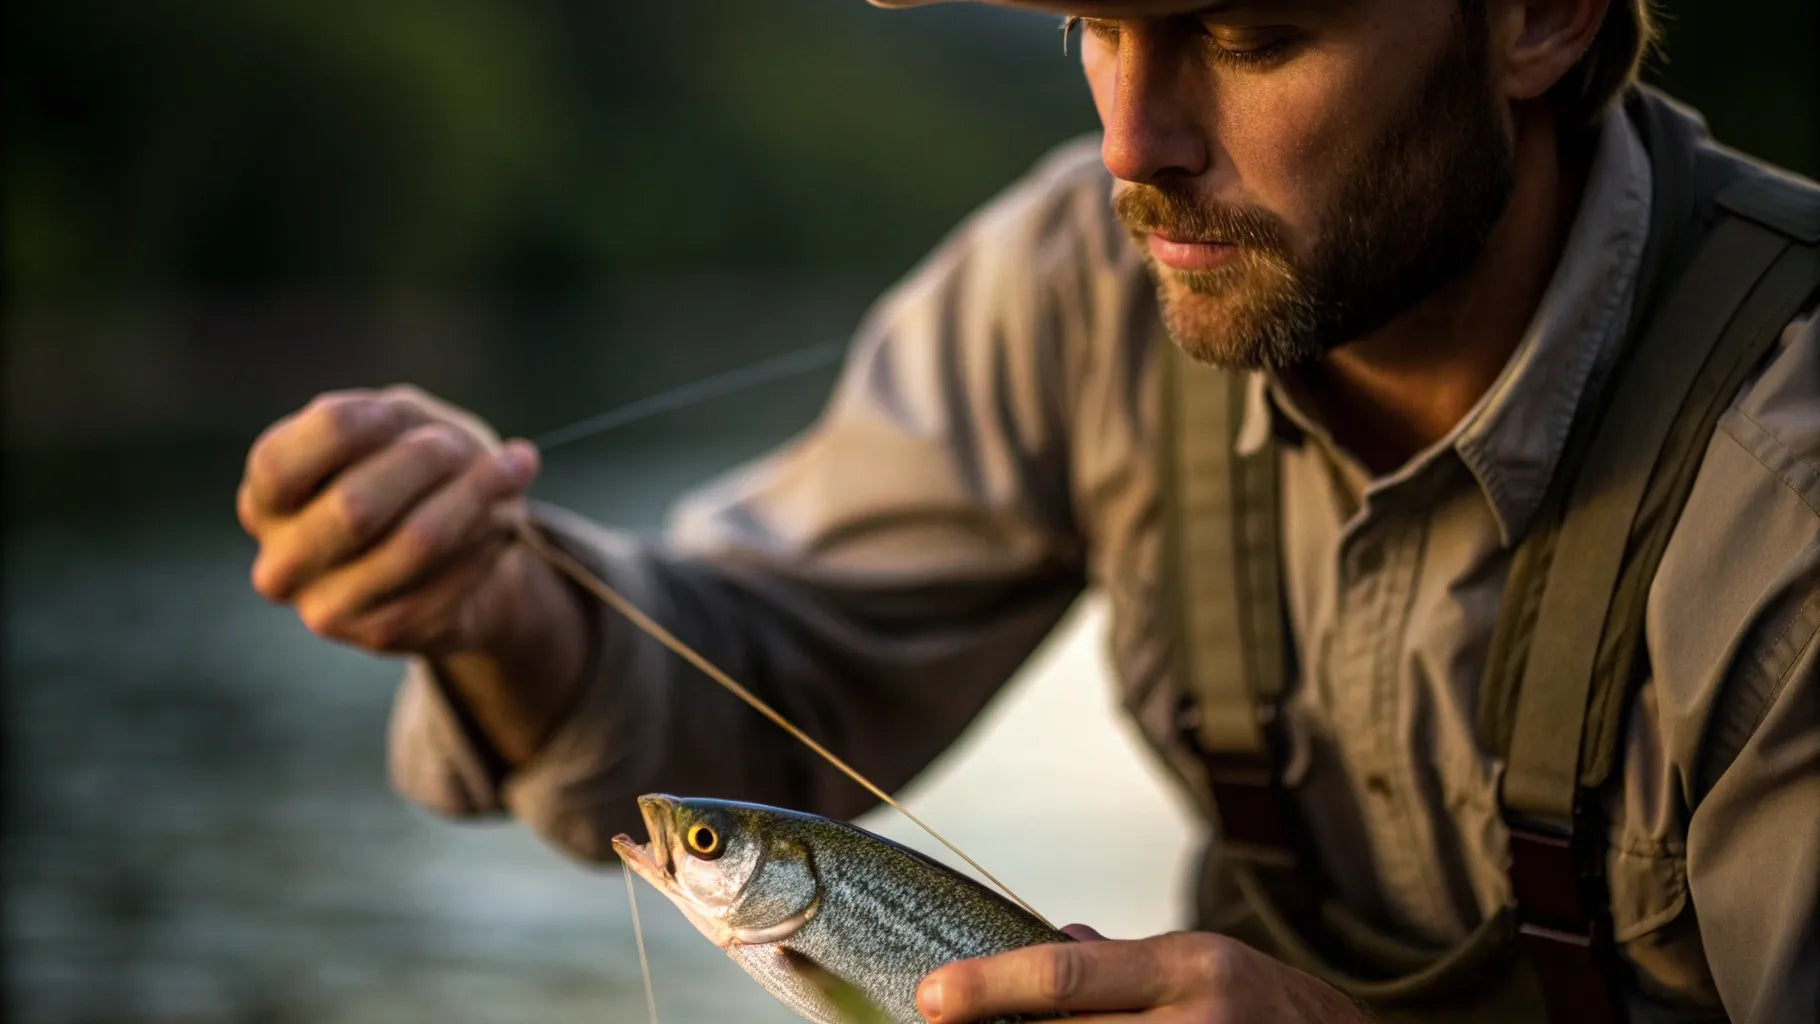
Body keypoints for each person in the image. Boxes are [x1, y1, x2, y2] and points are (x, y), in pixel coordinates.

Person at [236, 0, 1819, 1020]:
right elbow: (752, 676)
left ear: (1539, 17)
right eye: (1093, 22)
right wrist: (500, 608)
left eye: (1250, 34)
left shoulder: (1787, 495)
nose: (1135, 145)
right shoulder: (1078, 287)